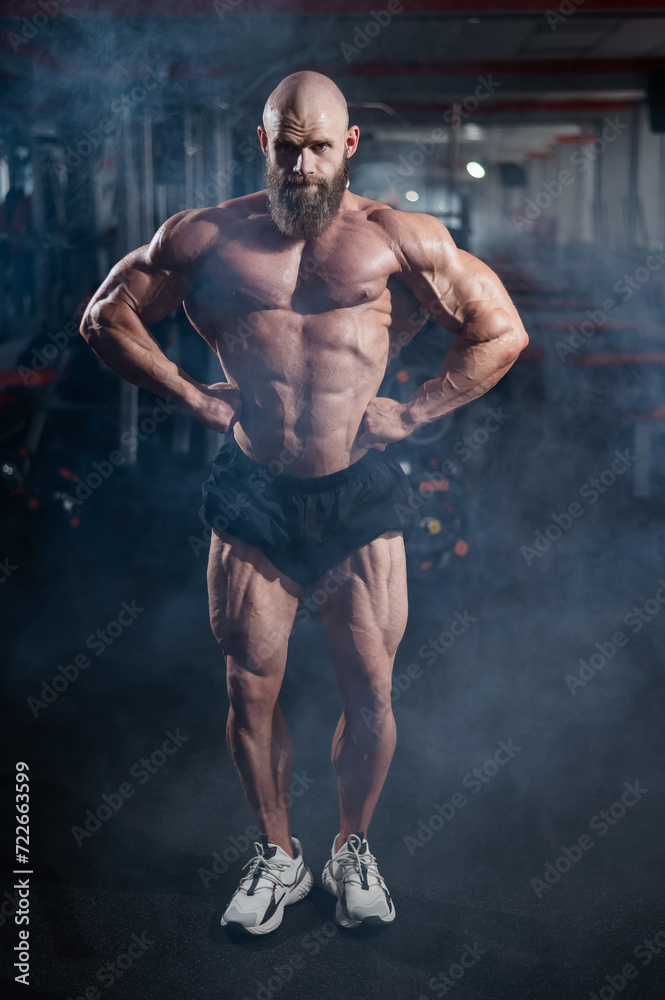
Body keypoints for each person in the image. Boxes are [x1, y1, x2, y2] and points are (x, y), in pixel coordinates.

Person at [79, 70, 528, 936]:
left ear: (349, 145)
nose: (303, 163)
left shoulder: (399, 238)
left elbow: (500, 328)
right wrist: (189, 395)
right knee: (250, 687)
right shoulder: (206, 237)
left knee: (370, 693)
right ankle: (278, 856)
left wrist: (419, 410)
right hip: (253, 490)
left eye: (320, 145)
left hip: (358, 489)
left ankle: (351, 847)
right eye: (287, 146)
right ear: (263, 144)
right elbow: (105, 316)